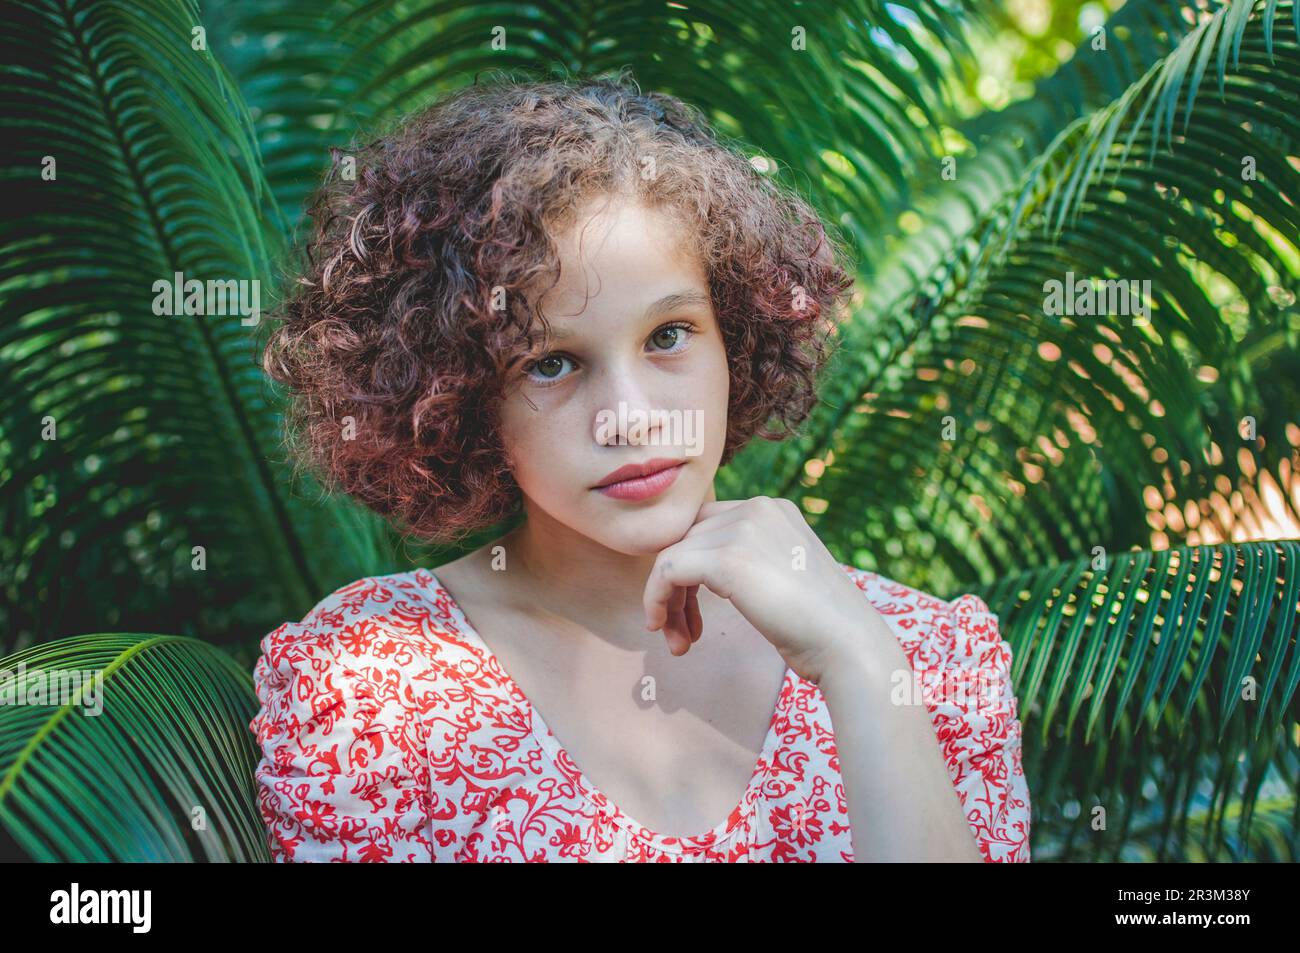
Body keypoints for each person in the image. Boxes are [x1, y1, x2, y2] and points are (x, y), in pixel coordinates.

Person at [249, 71, 1031, 863]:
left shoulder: (929, 657)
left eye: (668, 336)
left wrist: (861, 670)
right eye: (550, 363)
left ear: (737, 333)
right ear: (458, 393)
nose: (631, 416)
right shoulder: (373, 685)